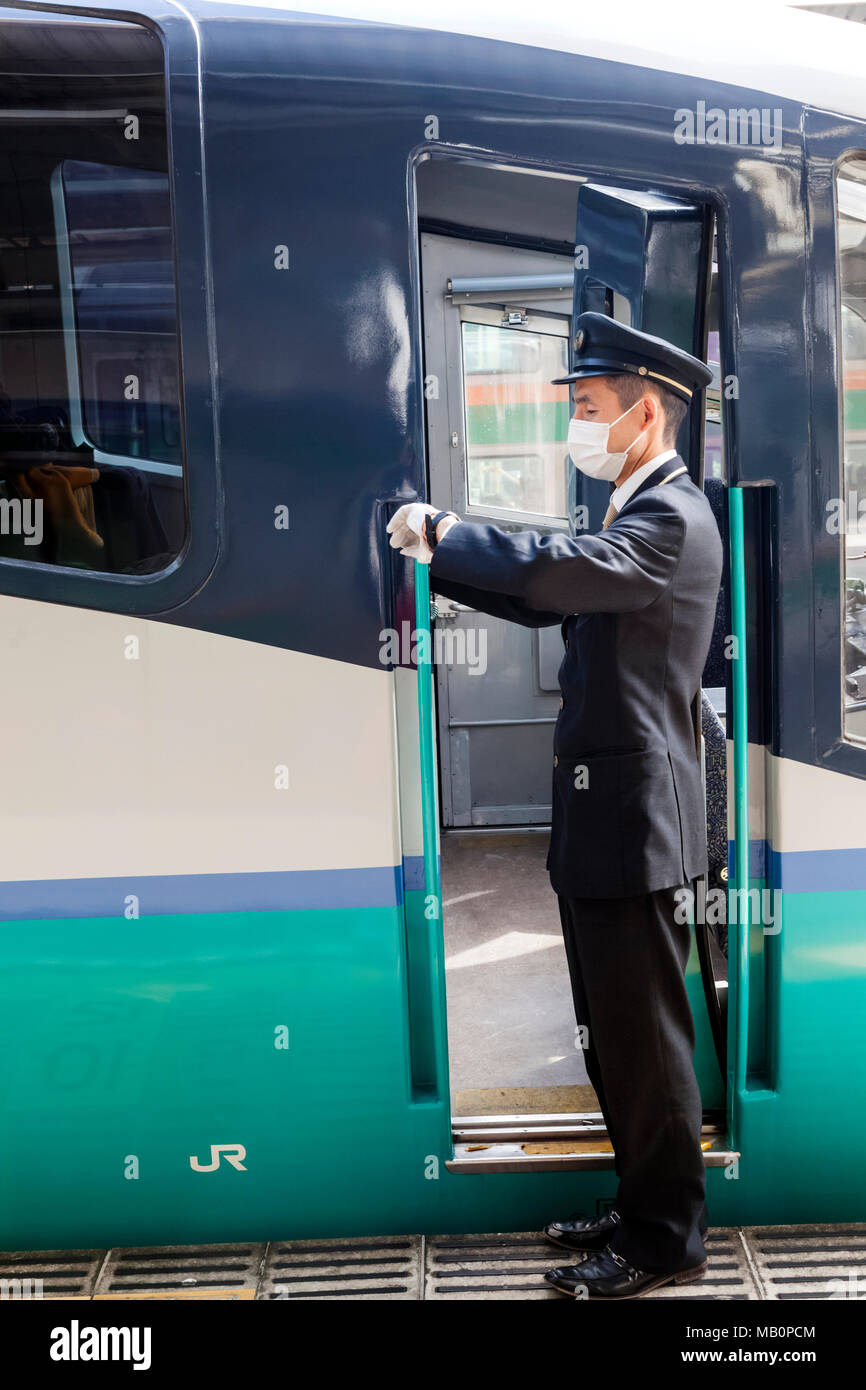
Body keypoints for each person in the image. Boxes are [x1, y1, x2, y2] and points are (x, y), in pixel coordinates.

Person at [387, 311, 724, 1300]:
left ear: (644, 412)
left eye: (585, 408)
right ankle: (638, 1198)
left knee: (644, 1038)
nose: (573, 425)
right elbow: (544, 595)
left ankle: (666, 1238)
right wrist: (434, 559)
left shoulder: (668, 519)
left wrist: (444, 528)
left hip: (636, 820)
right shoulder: (632, 517)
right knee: (609, 1029)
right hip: (604, 813)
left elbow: (549, 573)